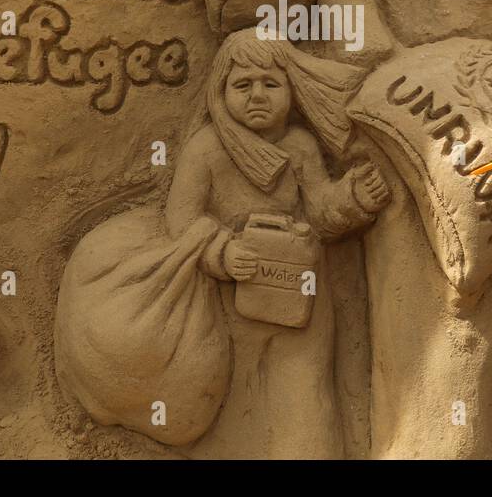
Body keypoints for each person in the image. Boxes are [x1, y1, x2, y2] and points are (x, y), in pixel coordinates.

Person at [165, 29, 389, 458]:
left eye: (271, 84)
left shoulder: (300, 146)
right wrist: (222, 253)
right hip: (231, 301)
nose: (257, 96)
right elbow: (182, 220)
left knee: (304, 394)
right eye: (242, 85)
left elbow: (321, 211)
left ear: (291, 89)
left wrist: (353, 198)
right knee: (236, 396)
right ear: (220, 91)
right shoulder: (206, 148)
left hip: (299, 295)